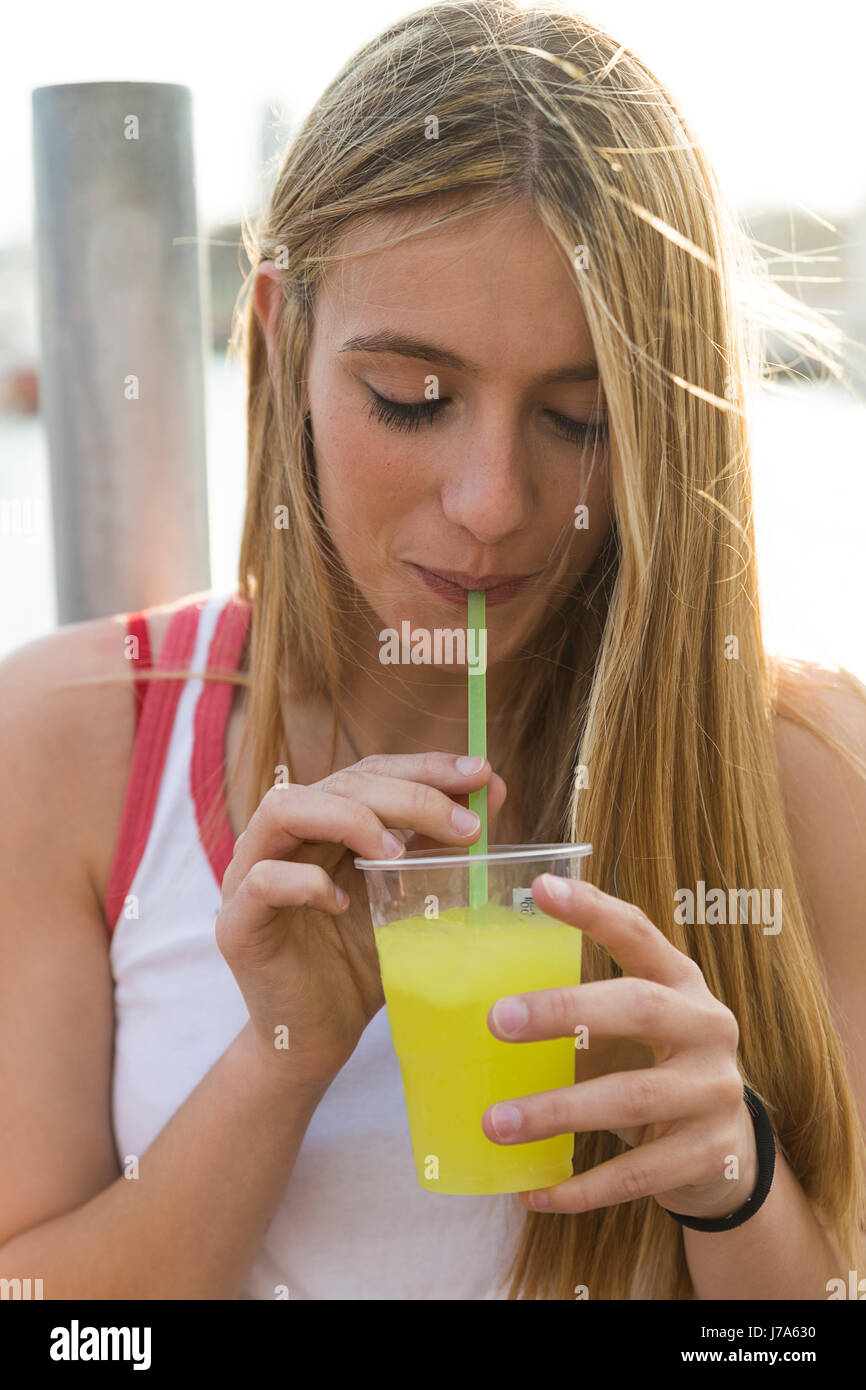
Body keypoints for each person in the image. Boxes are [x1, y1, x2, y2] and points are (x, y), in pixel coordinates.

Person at [1, 0, 864, 1301]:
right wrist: (282, 1057)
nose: (491, 501)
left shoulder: (798, 769)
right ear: (282, 334)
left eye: (578, 417)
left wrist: (732, 1183)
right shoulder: (72, 735)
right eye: (412, 398)